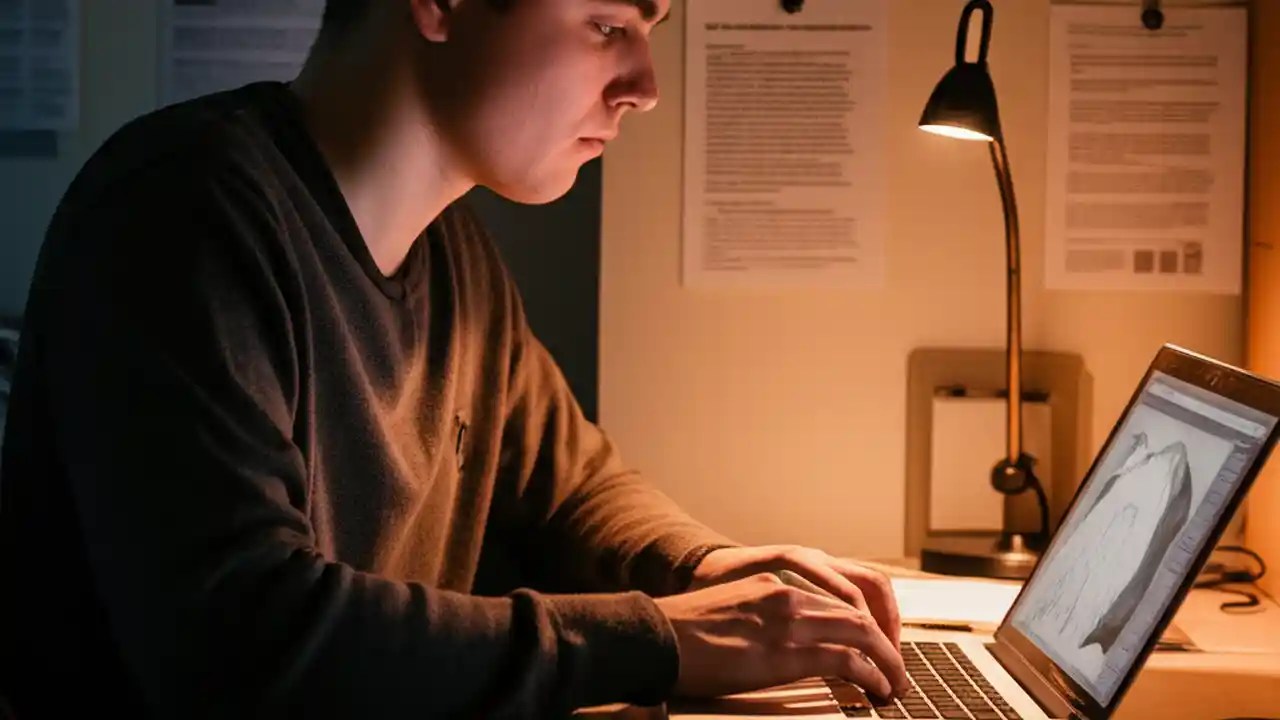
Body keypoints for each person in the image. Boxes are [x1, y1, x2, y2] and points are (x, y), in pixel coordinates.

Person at [0, 0, 909, 716]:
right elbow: (244, 638)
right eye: (607, 26)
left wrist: (706, 567)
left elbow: (572, 489)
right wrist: (660, 639)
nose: (645, 86)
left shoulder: (454, 253)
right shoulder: (181, 215)